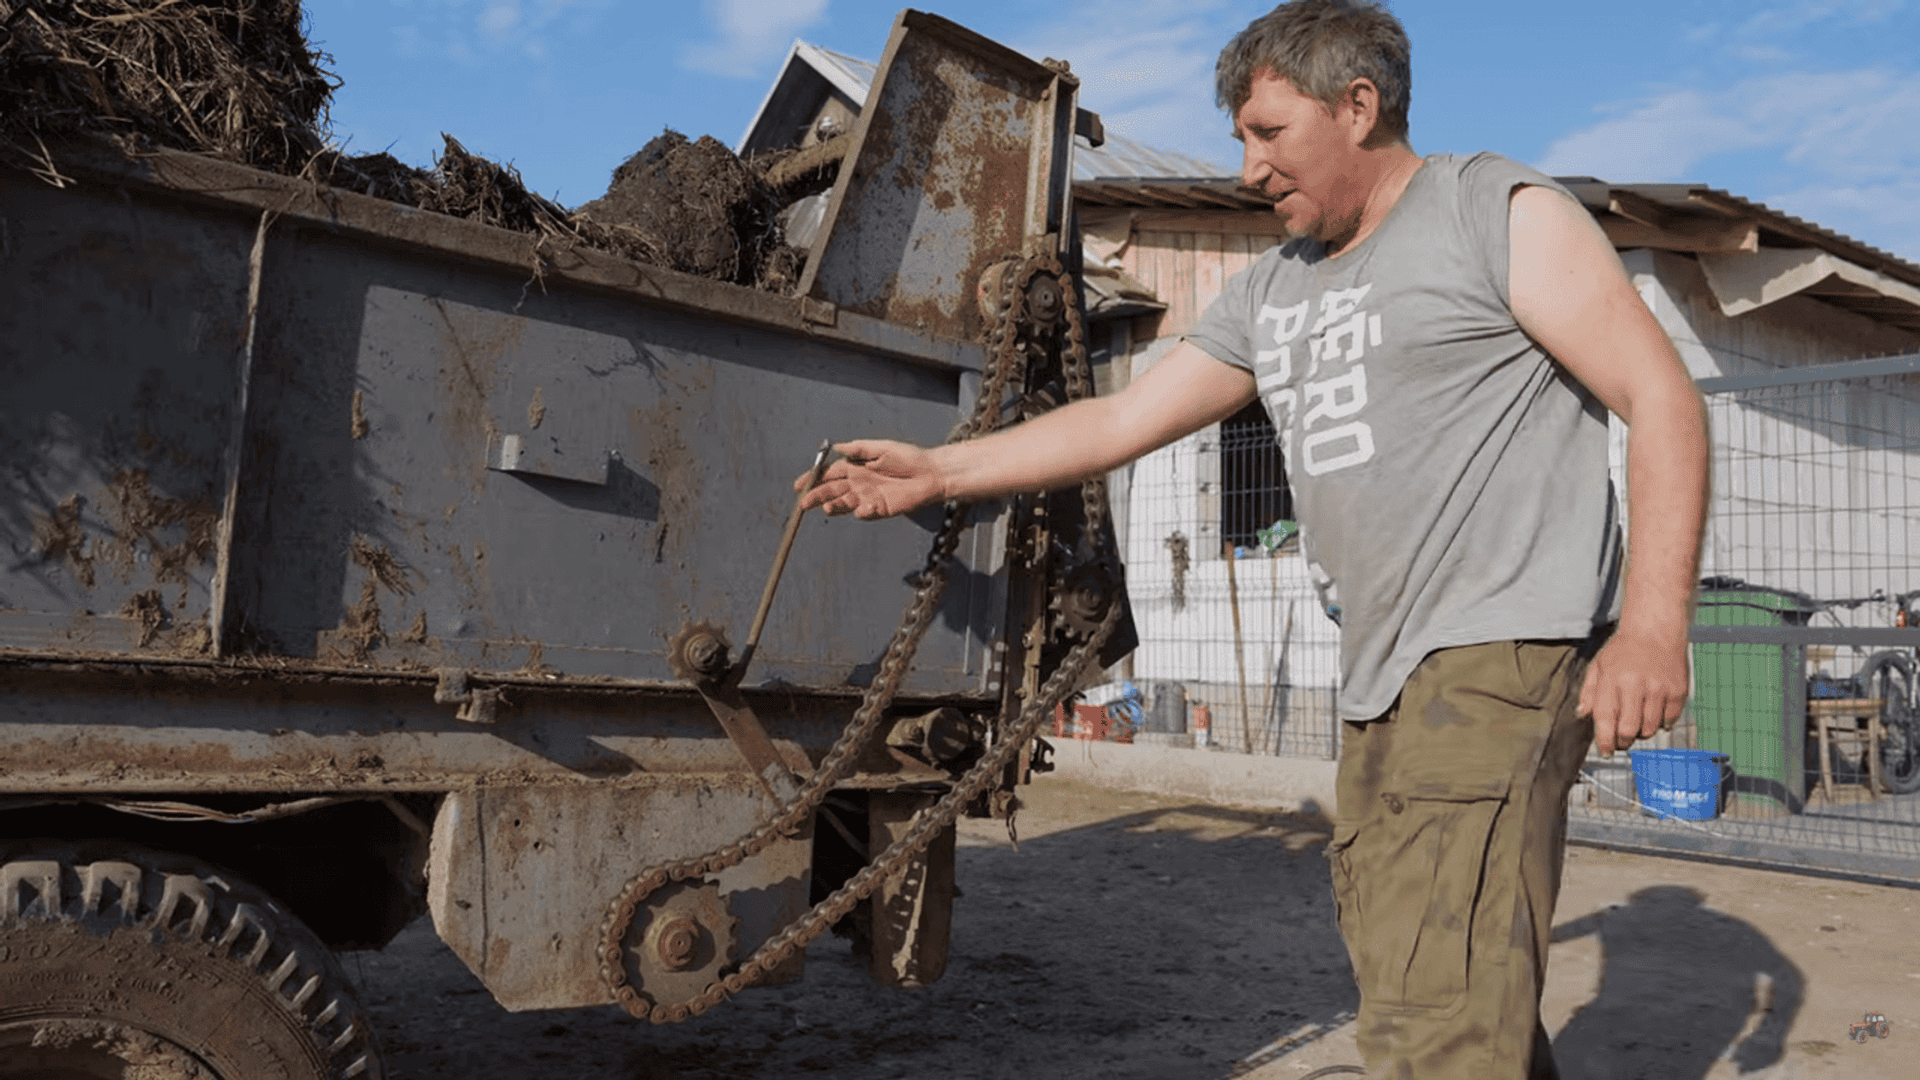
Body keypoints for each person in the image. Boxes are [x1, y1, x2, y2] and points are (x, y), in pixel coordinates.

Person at [798, 1, 1708, 1076]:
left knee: (1434, 1017)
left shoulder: (1491, 211)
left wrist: (1653, 625)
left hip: (1496, 653)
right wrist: (943, 468)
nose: (1246, 169)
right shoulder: (1277, 289)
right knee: (1434, 970)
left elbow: (1662, 397)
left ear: (1358, 106)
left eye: (1269, 134)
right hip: (1382, 675)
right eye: (1241, 137)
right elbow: (1122, 420)